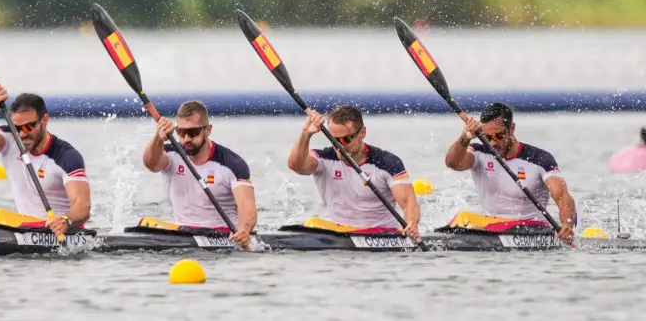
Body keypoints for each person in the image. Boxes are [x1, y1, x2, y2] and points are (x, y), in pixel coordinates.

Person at [445, 102, 577, 244]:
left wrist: (567, 225)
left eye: (498, 136)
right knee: (462, 218)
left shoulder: (539, 159)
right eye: (487, 137)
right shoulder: (479, 152)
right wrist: (465, 137)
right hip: (490, 226)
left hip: (531, 228)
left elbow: (563, 196)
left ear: (512, 129)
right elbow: (452, 163)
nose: (493, 143)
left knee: (464, 220)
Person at [0, 85, 90, 238]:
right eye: (17, 127)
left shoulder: (66, 157)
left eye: (28, 127)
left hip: (59, 231)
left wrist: (66, 220)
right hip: (25, 227)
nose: (21, 134)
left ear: (44, 120)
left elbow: (83, 207)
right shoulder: (10, 138)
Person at [288, 106, 421, 241]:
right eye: (334, 140)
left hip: (380, 233)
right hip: (337, 231)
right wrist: (306, 134)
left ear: (362, 133)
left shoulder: (387, 163)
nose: (340, 146)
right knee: (310, 223)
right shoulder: (323, 159)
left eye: (345, 140)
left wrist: (410, 224)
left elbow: (409, 203)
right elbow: (296, 166)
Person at [142, 100, 257, 250]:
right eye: (181, 132)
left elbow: (247, 207)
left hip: (222, 235)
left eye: (193, 133)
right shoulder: (170, 155)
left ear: (208, 130)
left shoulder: (231, 164)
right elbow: (150, 164)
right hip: (181, 232)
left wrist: (244, 230)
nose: (186, 139)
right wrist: (158, 136)